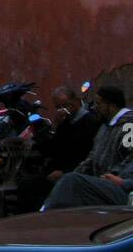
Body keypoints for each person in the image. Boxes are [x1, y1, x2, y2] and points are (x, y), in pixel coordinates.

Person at [44, 112, 133, 209]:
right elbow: (128, 164)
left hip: (130, 193)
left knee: (72, 180)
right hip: (117, 184)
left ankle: (47, 218)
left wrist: (123, 182)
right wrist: (112, 176)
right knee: (73, 191)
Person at [16, 84, 101, 212]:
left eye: (66, 105)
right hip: (55, 169)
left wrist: (65, 172)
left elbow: (86, 154)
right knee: (26, 185)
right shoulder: (65, 123)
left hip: (72, 171)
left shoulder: (90, 122)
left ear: (76, 102)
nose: (63, 110)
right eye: (58, 107)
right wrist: (56, 126)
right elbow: (51, 149)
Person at [62, 85, 133, 180]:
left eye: (98, 104)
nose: (94, 108)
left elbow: (131, 159)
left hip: (116, 184)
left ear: (112, 106)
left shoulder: (130, 126)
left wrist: (109, 178)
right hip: (99, 181)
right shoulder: (105, 126)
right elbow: (92, 157)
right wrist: (74, 175)